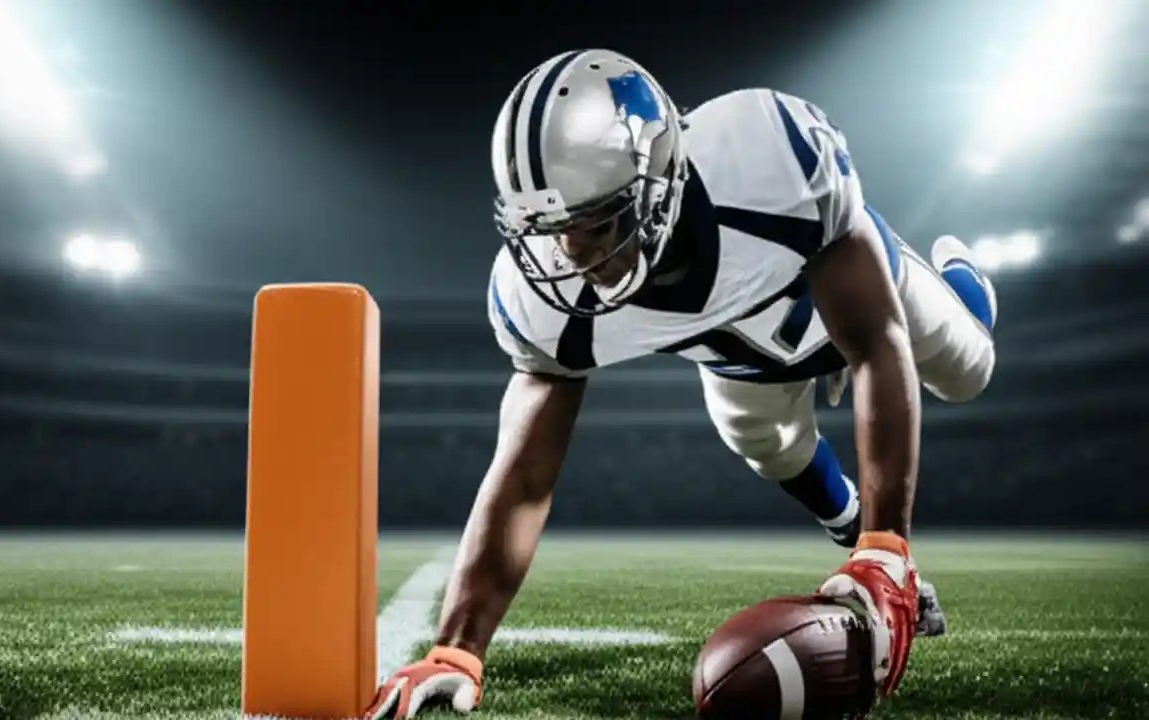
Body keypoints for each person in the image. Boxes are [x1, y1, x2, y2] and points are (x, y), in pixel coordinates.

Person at [365, 48, 998, 719]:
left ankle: (965, 284)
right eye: (551, 231)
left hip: (859, 305)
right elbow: (521, 480)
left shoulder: (767, 159)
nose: (574, 255)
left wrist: (888, 549)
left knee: (968, 372)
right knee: (762, 443)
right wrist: (455, 648)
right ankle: (846, 522)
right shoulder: (545, 300)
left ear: (658, 177)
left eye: (595, 222)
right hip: (741, 362)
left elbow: (874, 346)